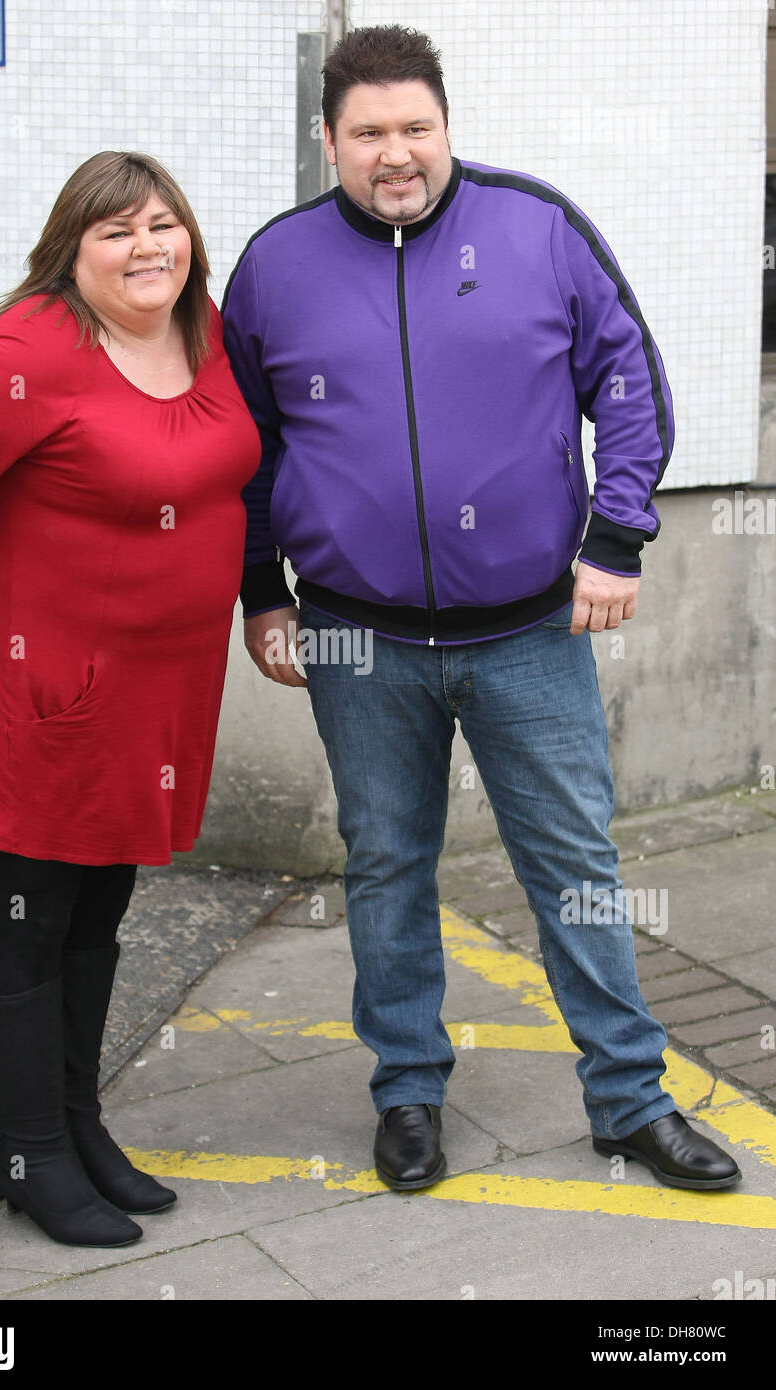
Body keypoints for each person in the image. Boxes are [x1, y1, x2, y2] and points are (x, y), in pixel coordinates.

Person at [221, 25, 741, 1193]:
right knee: (385, 862)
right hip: (356, 637)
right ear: (328, 141)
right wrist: (261, 593)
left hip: (527, 630)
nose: (394, 154)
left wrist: (616, 538)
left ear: (446, 124)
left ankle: (629, 1098)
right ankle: (406, 1092)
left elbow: (630, 382)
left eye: (415, 127)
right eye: (367, 134)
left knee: (577, 867)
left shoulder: (534, 228)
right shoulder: (275, 266)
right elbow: (244, 453)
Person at [0, 150, 261, 1244]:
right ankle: (31, 1154)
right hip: (55, 683)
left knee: (102, 907)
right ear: (69, 252)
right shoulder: (38, 347)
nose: (148, 249)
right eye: (117, 233)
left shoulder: (200, 326)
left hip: (163, 687)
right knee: (34, 915)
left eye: (163, 225)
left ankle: (77, 1127)